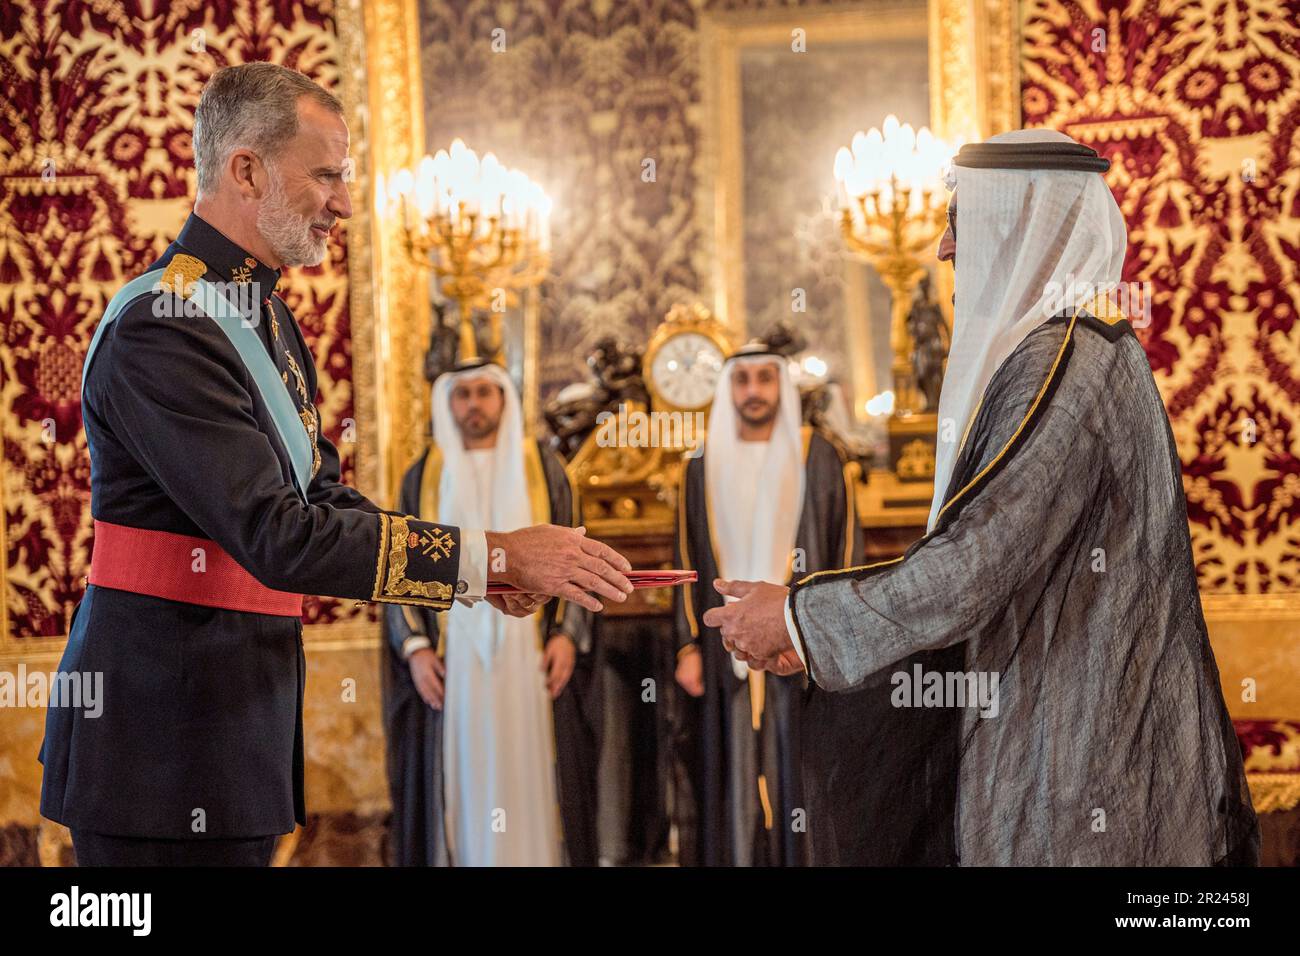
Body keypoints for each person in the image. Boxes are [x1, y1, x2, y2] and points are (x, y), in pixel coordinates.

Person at [40, 62, 631, 868]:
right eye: (327, 175)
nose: (345, 203)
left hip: (231, 720)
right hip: (158, 739)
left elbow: (321, 500)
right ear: (245, 169)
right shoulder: (165, 324)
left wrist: (485, 575)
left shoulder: (263, 315)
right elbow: (279, 536)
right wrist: (497, 553)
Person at [704, 129, 1259, 866]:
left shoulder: (1067, 365)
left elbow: (975, 564)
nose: (941, 248)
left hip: (1080, 773)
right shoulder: (1067, 352)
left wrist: (802, 618)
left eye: (959, 221)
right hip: (1068, 748)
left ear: (1017, 223)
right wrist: (817, 634)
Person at [382, 360, 602, 865]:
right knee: (463, 772)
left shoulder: (544, 468)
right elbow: (395, 560)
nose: (474, 404)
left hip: (530, 657)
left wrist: (567, 634)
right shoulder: (422, 475)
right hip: (453, 656)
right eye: (463, 394)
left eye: (485, 392)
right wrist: (415, 648)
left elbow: (577, 554)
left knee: (535, 770)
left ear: (504, 398)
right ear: (447, 403)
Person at [674, 345, 862, 865]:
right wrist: (687, 644)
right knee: (729, 775)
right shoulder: (700, 463)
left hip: (803, 650)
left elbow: (846, 552)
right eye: (743, 380)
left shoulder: (819, 454)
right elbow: (686, 559)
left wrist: (836, 638)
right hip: (720, 651)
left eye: (764, 379)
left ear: (781, 385)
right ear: (728, 388)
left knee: (799, 773)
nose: (754, 391)